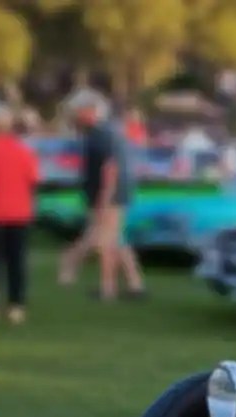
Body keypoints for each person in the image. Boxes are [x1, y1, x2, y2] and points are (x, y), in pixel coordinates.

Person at [56, 92, 146, 301]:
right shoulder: (101, 132)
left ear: (88, 111)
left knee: (105, 240)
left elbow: (110, 167)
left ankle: (107, 288)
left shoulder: (101, 134)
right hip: (113, 192)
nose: (73, 118)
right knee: (115, 238)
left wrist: (104, 197)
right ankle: (135, 284)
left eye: (75, 113)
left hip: (109, 193)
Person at [0, 101, 39, 325]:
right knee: (16, 261)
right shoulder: (23, 150)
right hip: (19, 213)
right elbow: (33, 180)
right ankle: (16, 306)